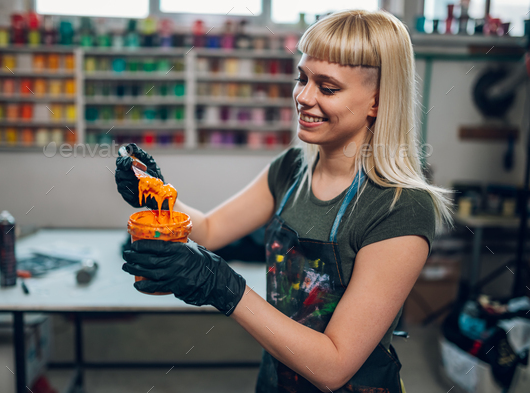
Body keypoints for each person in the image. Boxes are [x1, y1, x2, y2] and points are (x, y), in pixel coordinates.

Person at [115, 9, 453, 393]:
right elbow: (211, 229)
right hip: (277, 379)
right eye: (302, 78)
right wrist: (156, 192)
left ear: (377, 101)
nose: (303, 97)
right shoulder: (291, 168)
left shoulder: (400, 207)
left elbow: (334, 366)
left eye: (327, 88)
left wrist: (224, 287)